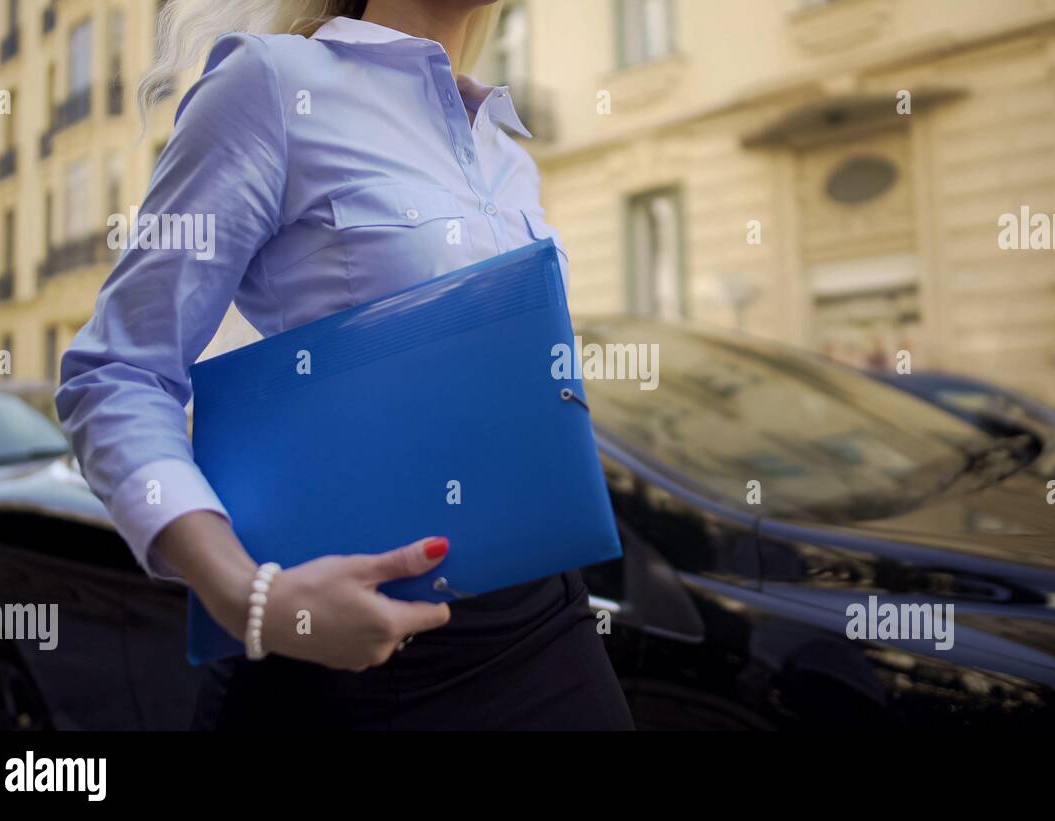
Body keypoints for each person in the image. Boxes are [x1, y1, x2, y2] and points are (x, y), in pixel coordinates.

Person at [56, 0, 633, 731]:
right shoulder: (268, 85)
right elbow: (115, 373)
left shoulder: (507, 152)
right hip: (351, 653)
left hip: (552, 623)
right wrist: (250, 598)